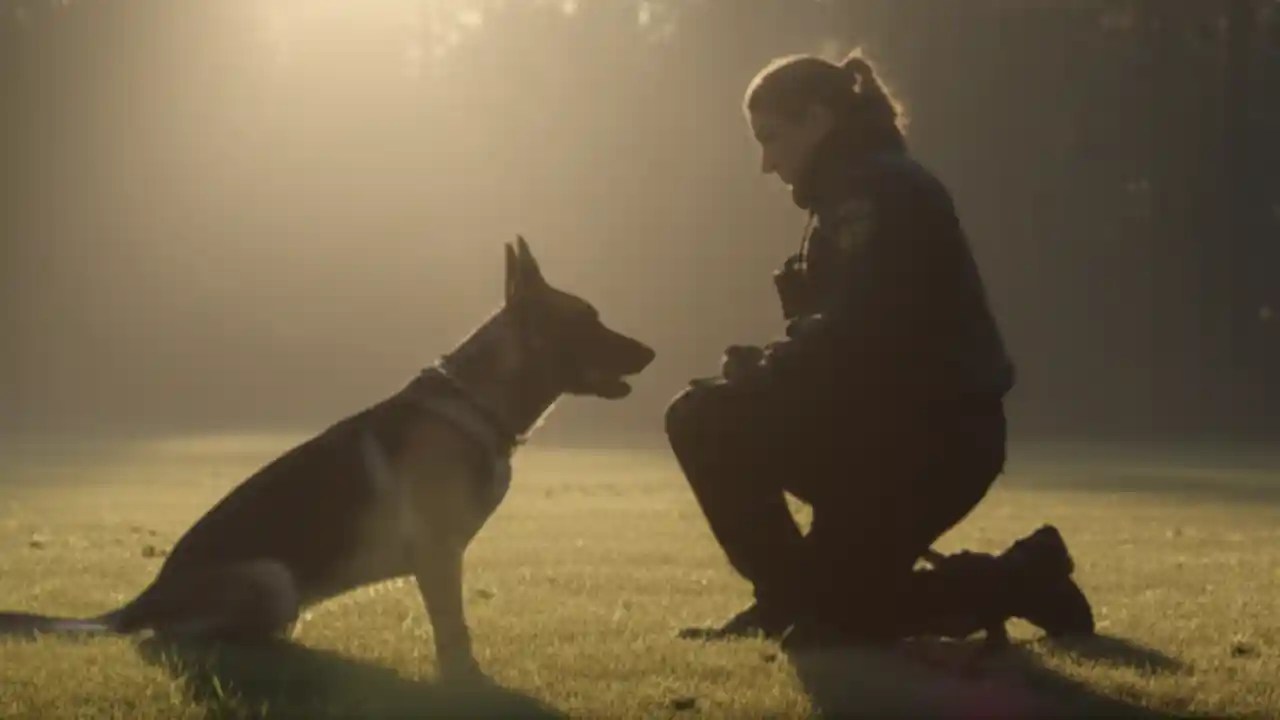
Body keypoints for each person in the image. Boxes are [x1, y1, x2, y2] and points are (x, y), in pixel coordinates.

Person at [664, 50, 1095, 647]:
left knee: (844, 614)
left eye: (771, 137)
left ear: (816, 119)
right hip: (884, 434)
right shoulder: (859, 187)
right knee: (706, 418)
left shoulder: (876, 191)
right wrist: (774, 368)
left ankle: (1019, 579)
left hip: (928, 444)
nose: (766, 162)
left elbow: (862, 329)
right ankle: (793, 600)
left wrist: (769, 369)